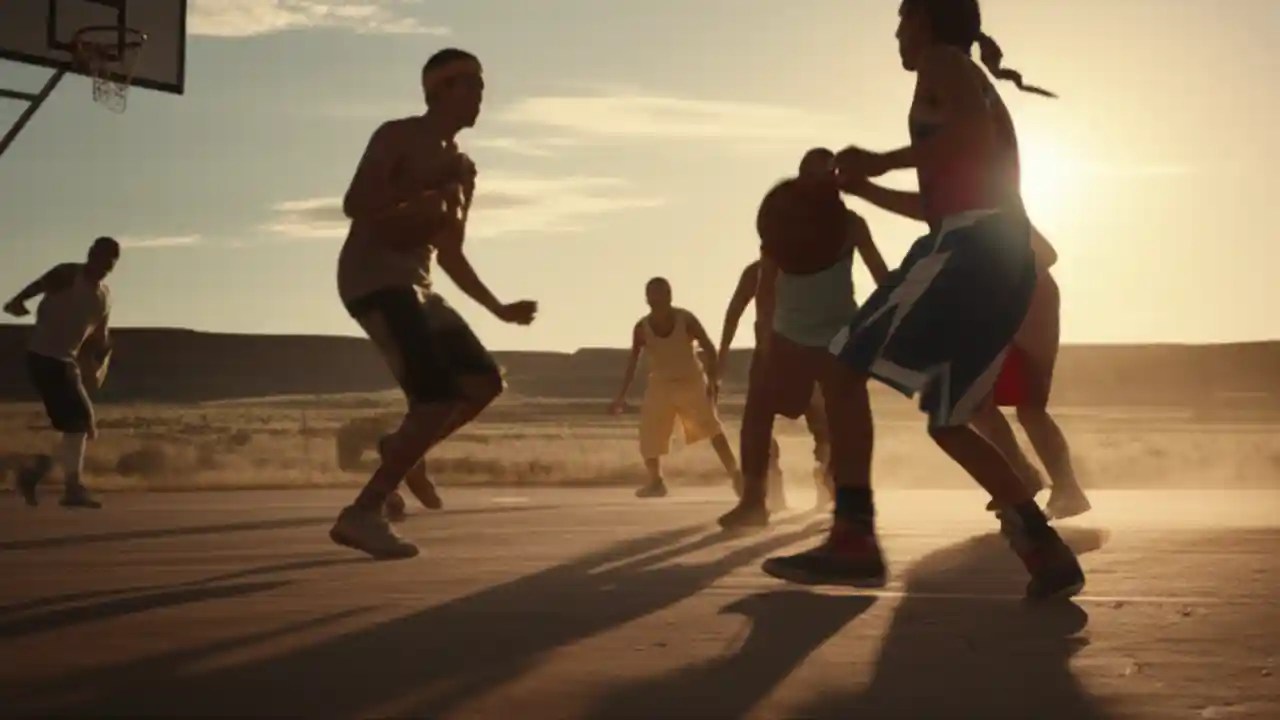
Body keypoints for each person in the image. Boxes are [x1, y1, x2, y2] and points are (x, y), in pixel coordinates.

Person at [762, 0, 1085, 601]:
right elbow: (937, 204)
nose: (896, 32)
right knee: (949, 420)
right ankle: (1045, 550)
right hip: (1000, 252)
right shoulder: (966, 81)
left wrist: (878, 160)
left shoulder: (943, 64)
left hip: (971, 247)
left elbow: (962, 145)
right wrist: (866, 186)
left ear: (928, 22)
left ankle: (853, 539)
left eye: (903, 19)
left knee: (839, 368)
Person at [330, 48, 538, 559]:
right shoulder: (397, 136)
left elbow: (450, 253)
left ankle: (404, 449)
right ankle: (364, 512)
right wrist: (420, 189)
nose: (480, 95)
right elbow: (355, 204)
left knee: (485, 382)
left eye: (482, 86)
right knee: (437, 398)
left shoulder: (464, 171)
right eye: (468, 84)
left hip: (419, 287)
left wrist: (499, 308)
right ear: (437, 90)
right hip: (374, 279)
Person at [719, 150, 889, 530]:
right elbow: (766, 281)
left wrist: (886, 320)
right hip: (787, 336)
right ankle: (753, 502)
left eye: (821, 177)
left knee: (846, 422)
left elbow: (881, 275)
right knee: (757, 416)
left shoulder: (852, 225)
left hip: (838, 336)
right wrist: (765, 334)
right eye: (808, 176)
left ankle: (849, 506)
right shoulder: (782, 222)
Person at [974, 224, 1091, 519]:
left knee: (1029, 406)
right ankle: (1022, 476)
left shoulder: (996, 206)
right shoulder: (958, 208)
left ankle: (1064, 488)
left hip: (1028, 304)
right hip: (996, 307)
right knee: (975, 401)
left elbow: (1047, 255)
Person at [4, 236, 120, 509]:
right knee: (80, 422)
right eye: (99, 257)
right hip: (44, 356)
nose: (103, 265)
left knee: (80, 426)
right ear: (90, 254)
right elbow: (39, 285)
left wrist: (100, 359)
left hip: (66, 362)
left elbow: (100, 337)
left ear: (114, 264)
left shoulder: (104, 296)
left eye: (109, 261)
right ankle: (70, 488)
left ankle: (34, 474)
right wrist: (18, 301)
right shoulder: (68, 273)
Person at [610, 277, 742, 498]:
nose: (657, 299)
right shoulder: (641, 328)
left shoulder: (686, 319)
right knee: (649, 433)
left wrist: (713, 384)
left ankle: (737, 477)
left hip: (691, 380)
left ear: (670, 296)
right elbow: (632, 363)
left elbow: (709, 349)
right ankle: (656, 482)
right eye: (652, 294)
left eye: (661, 293)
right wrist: (620, 396)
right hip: (661, 384)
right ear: (647, 299)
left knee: (711, 427)